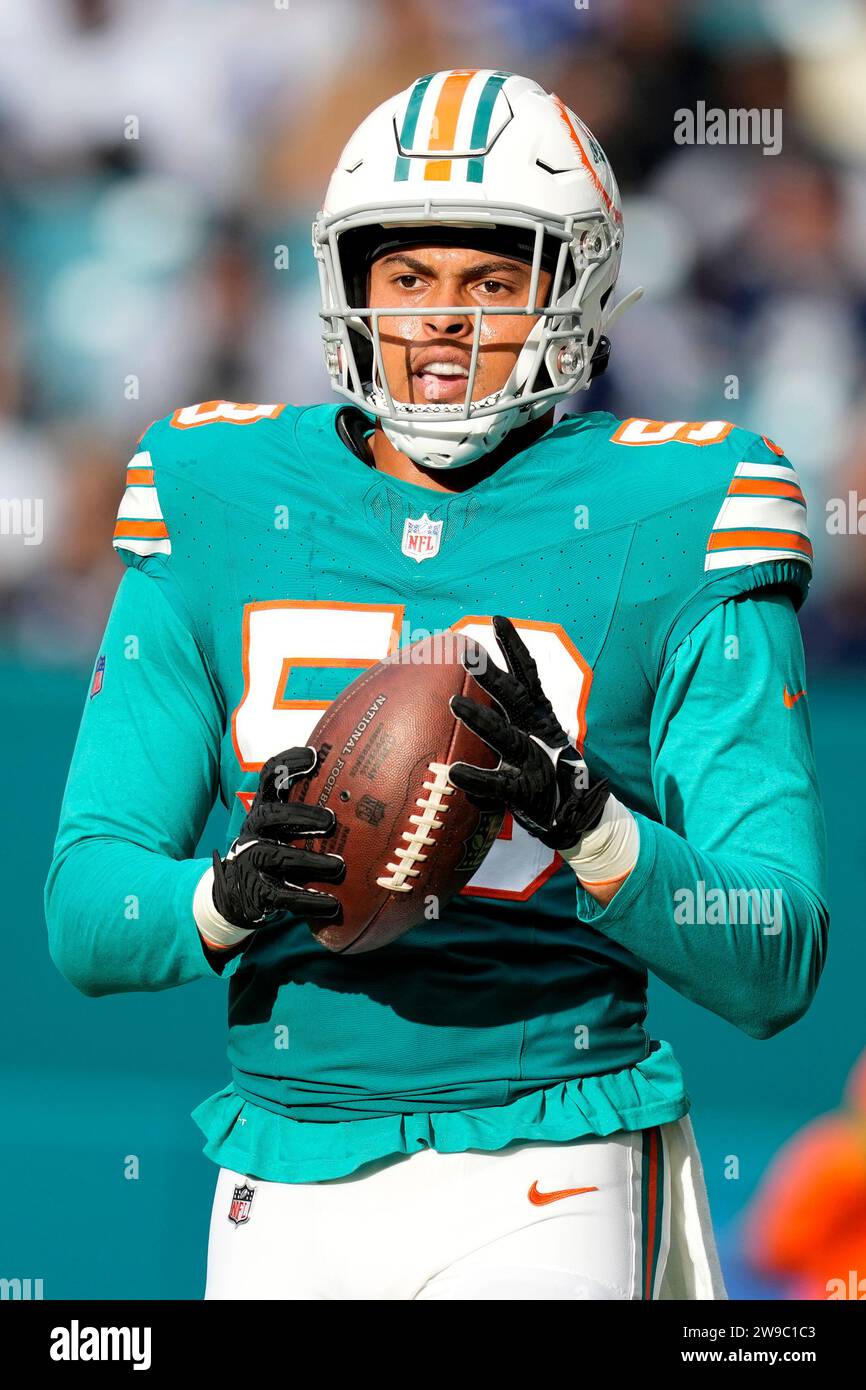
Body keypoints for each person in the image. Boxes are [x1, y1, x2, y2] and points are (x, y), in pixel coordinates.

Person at [45, 69, 828, 1301]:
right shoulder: (216, 489)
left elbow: (774, 952)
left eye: (490, 278)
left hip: (551, 1144)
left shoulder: (685, 507)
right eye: (406, 279)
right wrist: (232, 893)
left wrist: (599, 832)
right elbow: (88, 912)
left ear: (571, 288)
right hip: (279, 1161)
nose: (442, 320)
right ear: (348, 285)